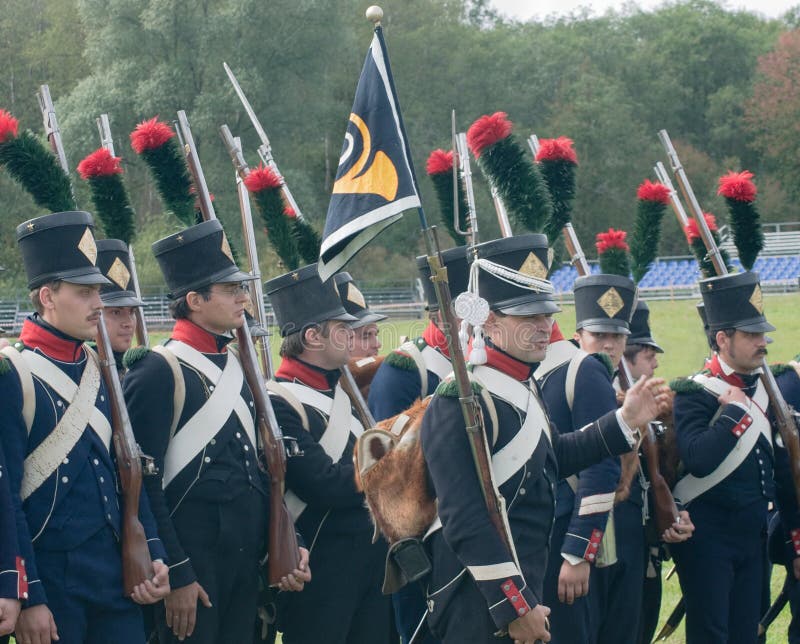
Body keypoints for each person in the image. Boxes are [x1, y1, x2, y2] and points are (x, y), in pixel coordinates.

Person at [420, 234, 671, 643]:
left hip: (524, 587)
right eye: (528, 318)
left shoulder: (519, 383)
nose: (545, 328)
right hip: (480, 601)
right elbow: (464, 519)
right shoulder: (462, 399)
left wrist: (623, 420)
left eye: (547, 316)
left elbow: (554, 454)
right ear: (489, 321)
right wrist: (515, 608)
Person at [123, 220, 309, 644]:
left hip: (243, 562)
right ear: (195, 300)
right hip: (193, 567)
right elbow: (143, 486)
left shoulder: (238, 366)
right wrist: (177, 572)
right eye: (231, 290)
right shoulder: (158, 371)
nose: (244, 297)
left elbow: (263, 472)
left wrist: (289, 541)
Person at [0, 210, 169, 644]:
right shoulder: (13, 374)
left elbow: (129, 471)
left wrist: (153, 551)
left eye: (98, 291)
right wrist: (29, 594)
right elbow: (6, 499)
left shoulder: (101, 367)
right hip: (53, 582)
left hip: (116, 574)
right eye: (84, 292)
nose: (99, 303)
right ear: (47, 296)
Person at [265, 264, 394, 644]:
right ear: (312, 337)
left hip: (370, 565)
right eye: (342, 328)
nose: (353, 334)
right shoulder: (280, 401)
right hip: (321, 571)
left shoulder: (343, 389)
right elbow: (328, 485)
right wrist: (394, 447)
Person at [671, 271, 800, 643]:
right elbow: (698, 460)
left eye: (763, 335)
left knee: (749, 634)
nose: (763, 343)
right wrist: (731, 415)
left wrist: (795, 540)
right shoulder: (694, 392)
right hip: (708, 538)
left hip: (753, 535)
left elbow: (784, 473)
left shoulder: (768, 392)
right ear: (723, 338)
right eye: (752, 335)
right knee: (712, 634)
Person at [366, 246, 469, 644]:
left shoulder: (477, 361)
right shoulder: (407, 367)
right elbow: (383, 465)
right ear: (440, 314)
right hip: (422, 534)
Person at [95, 239, 144, 373]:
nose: (129, 323)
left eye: (132, 311)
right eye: (116, 312)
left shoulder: (136, 366)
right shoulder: (87, 367)